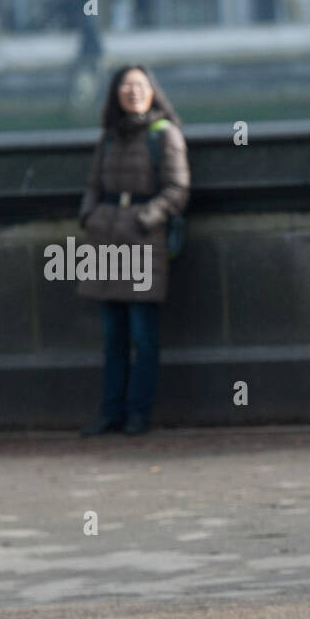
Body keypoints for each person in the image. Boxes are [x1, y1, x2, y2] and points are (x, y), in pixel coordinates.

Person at [77, 65, 189, 436]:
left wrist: (146, 218)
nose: (132, 91)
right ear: (116, 93)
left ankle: (138, 416)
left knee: (143, 334)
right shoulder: (109, 136)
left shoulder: (164, 133)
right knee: (112, 336)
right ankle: (110, 413)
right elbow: (94, 184)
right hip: (105, 239)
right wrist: (89, 215)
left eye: (139, 85)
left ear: (152, 91)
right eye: (126, 85)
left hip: (143, 242)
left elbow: (177, 190)